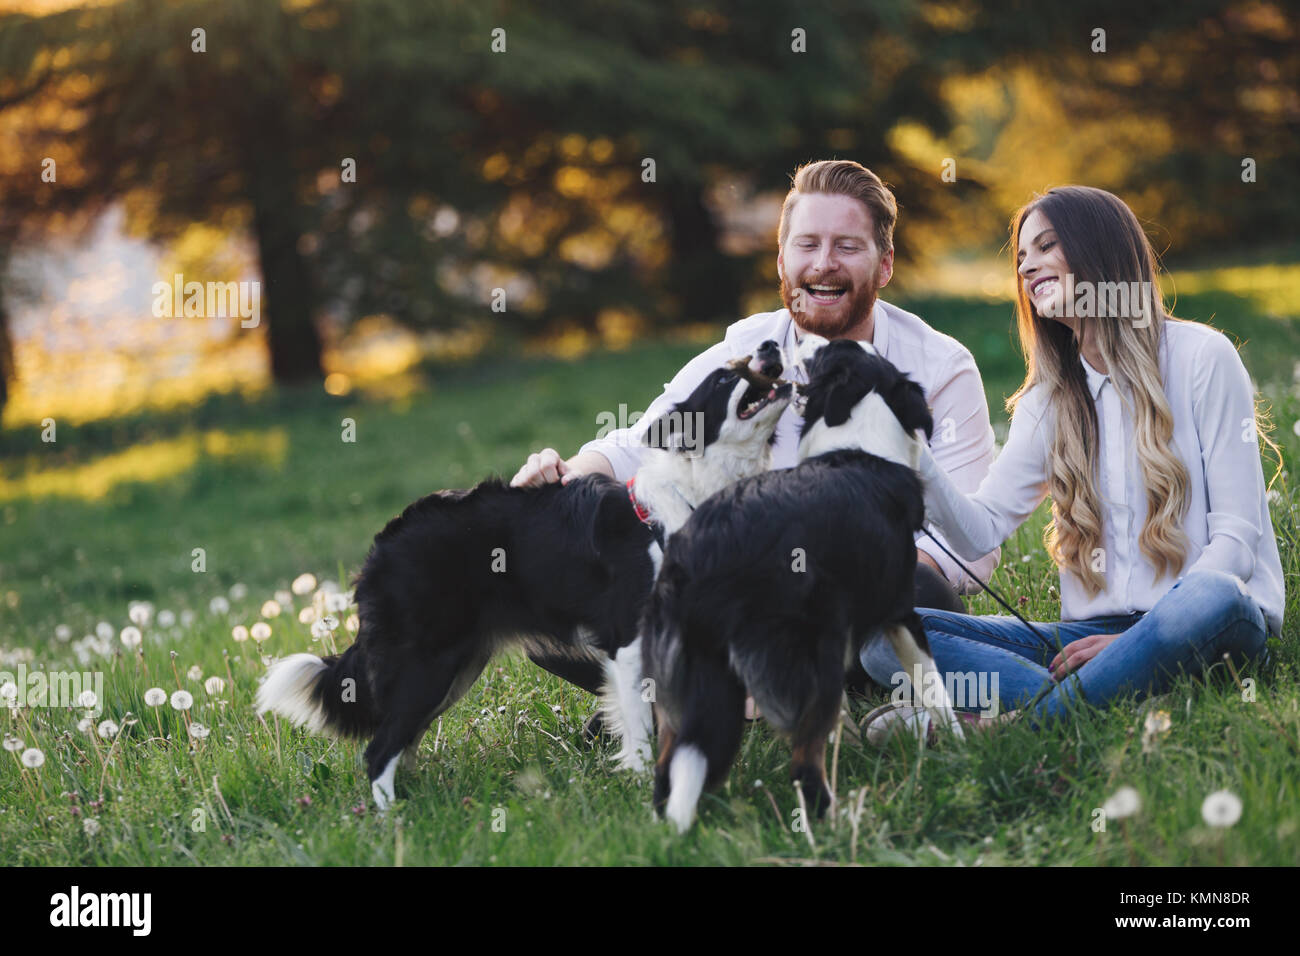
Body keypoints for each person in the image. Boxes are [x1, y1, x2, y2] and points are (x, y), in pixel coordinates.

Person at [511, 158, 1001, 704]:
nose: (823, 265)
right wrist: (562, 478)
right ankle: (706, 691)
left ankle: (728, 694)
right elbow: (641, 443)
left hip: (858, 609)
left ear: (884, 265)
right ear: (782, 260)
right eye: (807, 244)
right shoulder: (748, 348)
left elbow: (968, 552)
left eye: (847, 246)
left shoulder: (939, 368)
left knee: (919, 588)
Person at [861, 185, 1284, 742]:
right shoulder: (1049, 399)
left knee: (1214, 595)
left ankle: (1011, 729)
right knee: (880, 638)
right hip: (1082, 637)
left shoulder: (1202, 358)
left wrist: (1135, 642)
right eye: (1021, 257)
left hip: (1207, 618)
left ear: (1100, 250)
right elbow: (980, 530)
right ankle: (1110, 697)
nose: (1027, 265)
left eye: (1046, 246)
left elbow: (1235, 541)